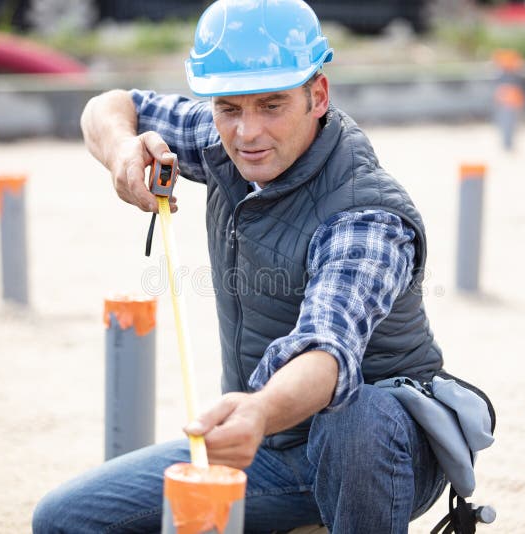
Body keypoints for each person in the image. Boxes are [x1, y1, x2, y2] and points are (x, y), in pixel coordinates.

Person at [32, 0, 455, 532]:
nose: (247, 133)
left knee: (356, 421)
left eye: (271, 106)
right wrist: (121, 151)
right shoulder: (222, 142)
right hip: (272, 443)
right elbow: (110, 105)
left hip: (383, 456)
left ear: (317, 95)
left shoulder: (365, 217)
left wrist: (256, 412)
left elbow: (326, 352)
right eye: (229, 108)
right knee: (64, 519)